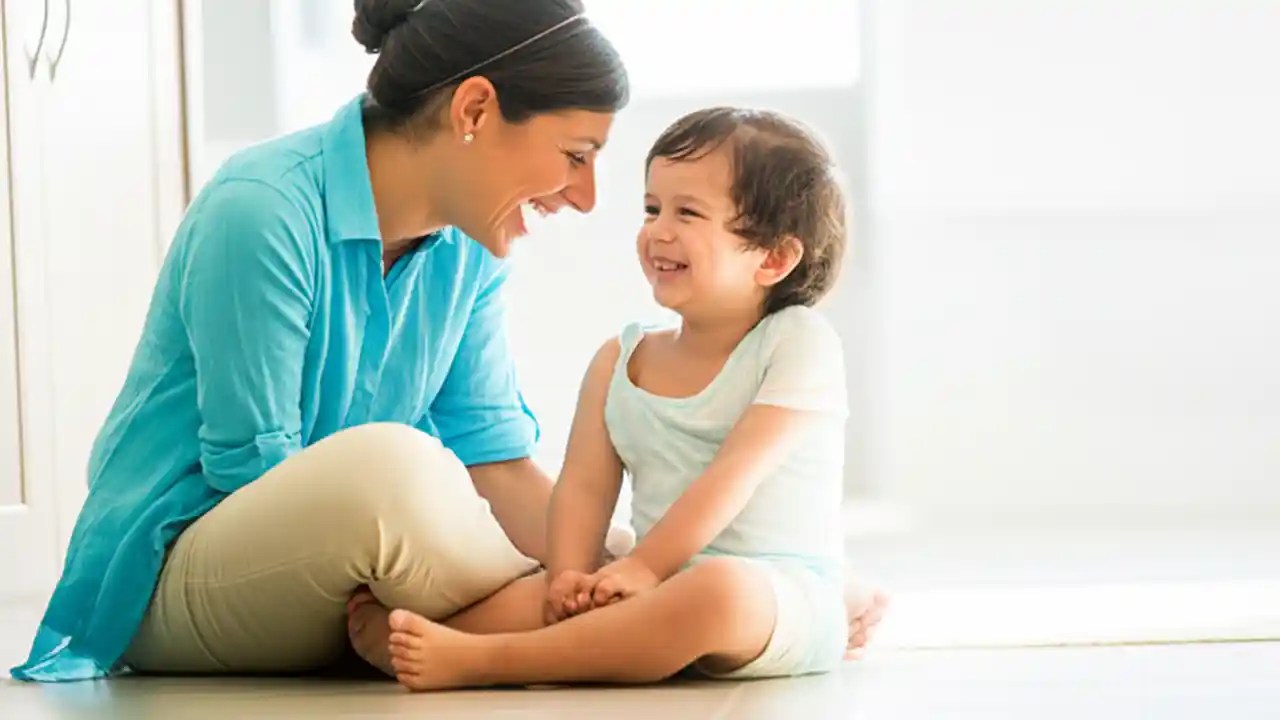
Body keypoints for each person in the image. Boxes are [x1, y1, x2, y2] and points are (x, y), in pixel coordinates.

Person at [11, 0, 881, 684]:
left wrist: (615, 572)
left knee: (580, 553)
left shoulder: (470, 245)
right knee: (395, 465)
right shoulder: (264, 208)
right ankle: (603, 629)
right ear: (474, 108)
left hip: (353, 569)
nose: (585, 198)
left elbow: (495, 463)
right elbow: (259, 478)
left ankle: (694, 618)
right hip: (181, 578)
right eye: (575, 154)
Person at [346, 106, 888, 691]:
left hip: (774, 592)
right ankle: (402, 642)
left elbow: (734, 476)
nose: (659, 230)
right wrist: (569, 576)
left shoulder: (797, 343)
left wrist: (647, 567)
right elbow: (583, 485)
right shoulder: (620, 360)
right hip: (649, 581)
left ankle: (490, 662)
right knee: (532, 591)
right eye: (653, 208)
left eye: (689, 213)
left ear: (774, 258)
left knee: (718, 592)